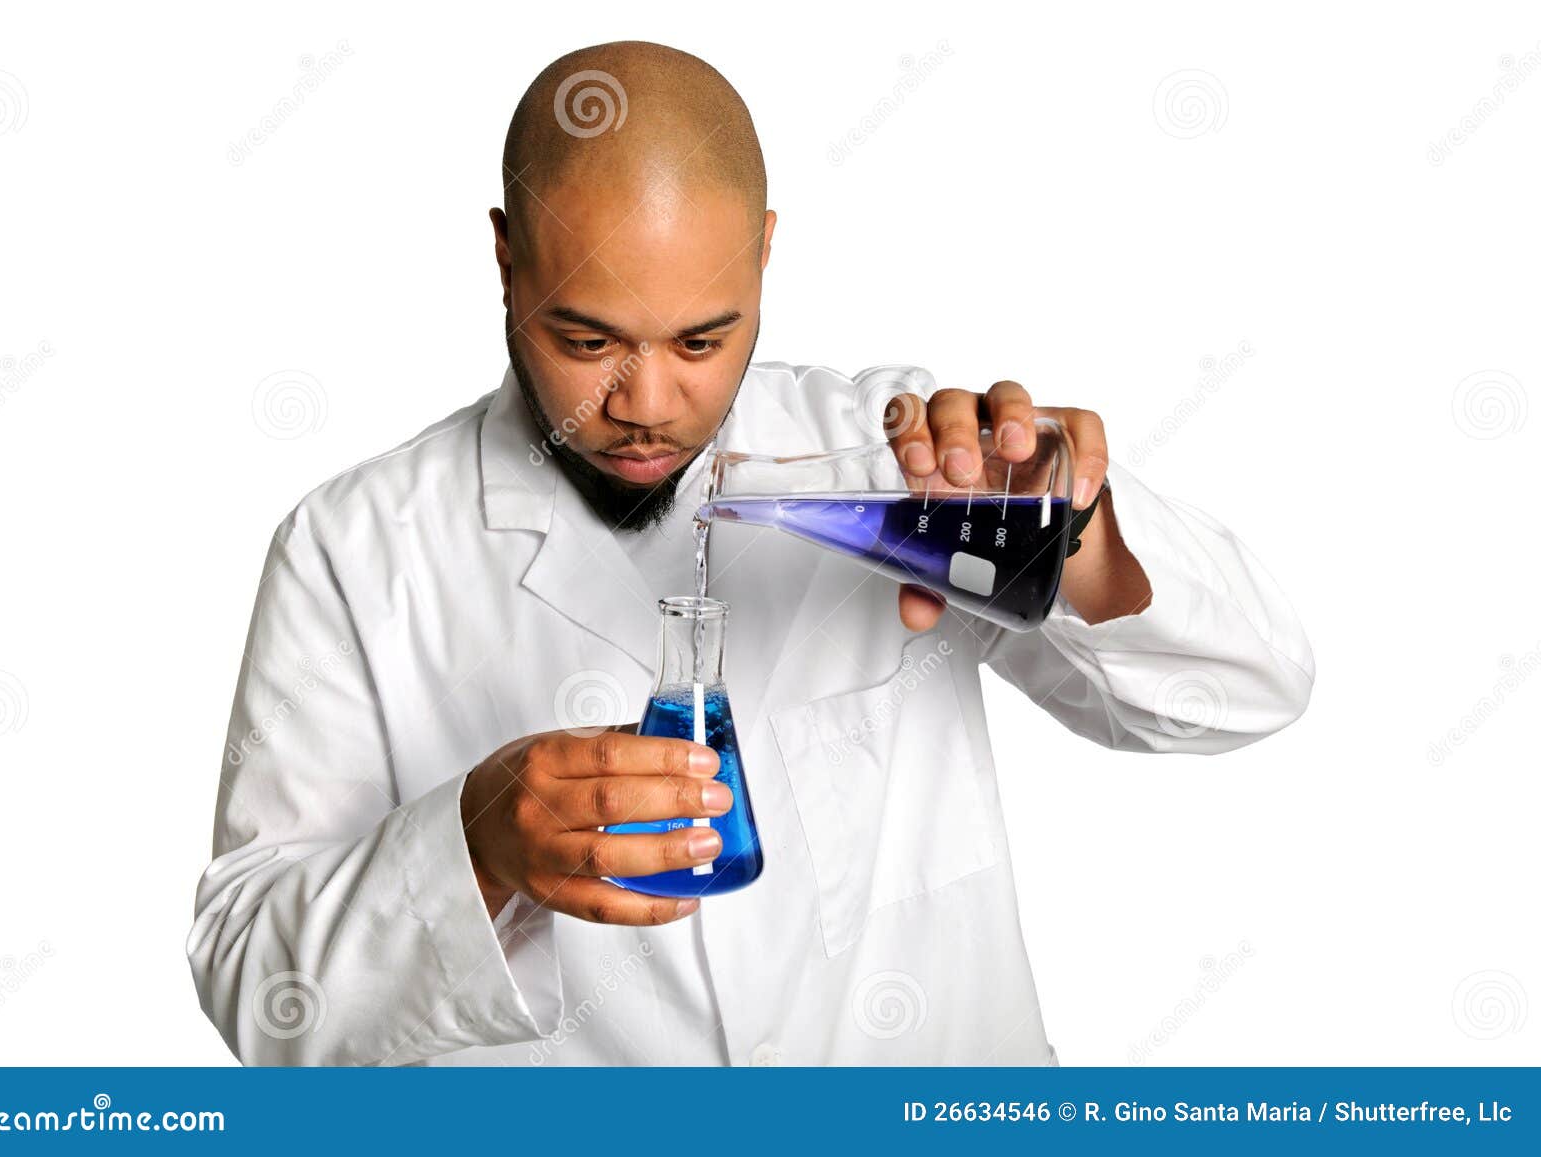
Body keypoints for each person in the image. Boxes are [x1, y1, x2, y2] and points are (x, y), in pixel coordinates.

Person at [187, 40, 1314, 1065]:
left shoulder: (900, 460)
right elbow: (253, 984)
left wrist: (1077, 531)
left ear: (766, 257)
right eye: (587, 340)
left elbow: (1249, 690)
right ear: (503, 259)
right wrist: (475, 847)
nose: (647, 402)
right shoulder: (352, 548)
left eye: (701, 339)